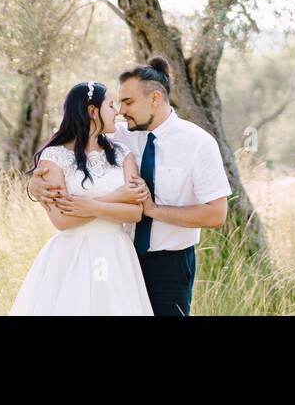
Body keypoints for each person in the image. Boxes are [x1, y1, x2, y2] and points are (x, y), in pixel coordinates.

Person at [32, 56, 231, 315]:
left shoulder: (199, 143)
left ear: (155, 98)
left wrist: (153, 210)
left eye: (128, 102)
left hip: (168, 263)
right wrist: (35, 183)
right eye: (118, 103)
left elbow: (216, 215)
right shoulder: (119, 135)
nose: (122, 111)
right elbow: (69, 145)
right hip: (117, 256)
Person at [9, 81, 153, 315]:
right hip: (71, 254)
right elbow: (62, 221)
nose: (116, 111)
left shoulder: (122, 154)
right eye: (110, 105)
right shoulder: (54, 157)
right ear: (92, 111)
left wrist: (87, 206)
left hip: (115, 253)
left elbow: (135, 213)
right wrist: (115, 197)